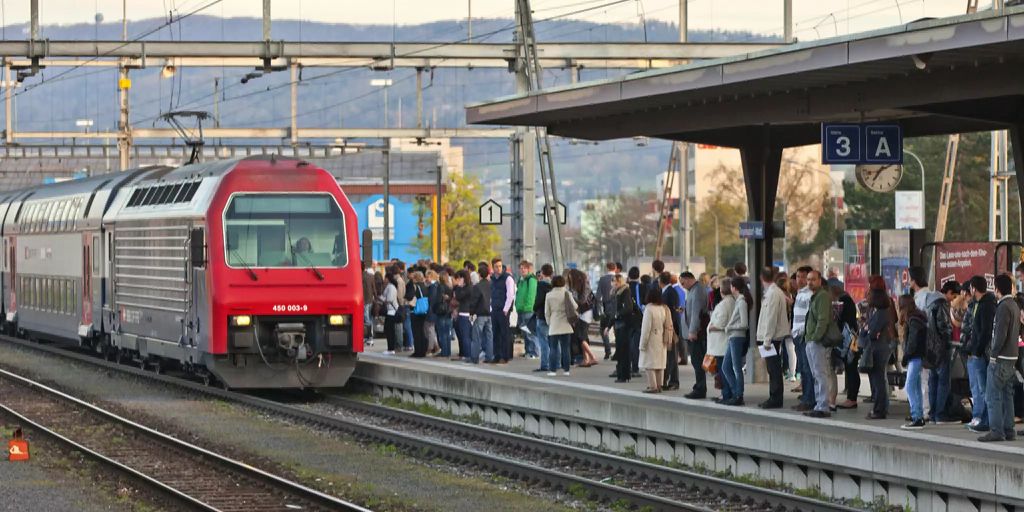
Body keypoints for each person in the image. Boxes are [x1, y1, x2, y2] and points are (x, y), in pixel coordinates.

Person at [978, 274, 1020, 442]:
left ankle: (996, 431)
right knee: (1007, 395)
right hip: (1012, 357)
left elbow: (1000, 334)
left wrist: (993, 355)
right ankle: (1009, 430)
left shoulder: (1003, 307)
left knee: (993, 395)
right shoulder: (1015, 306)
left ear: (997, 289)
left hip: (1000, 358)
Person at [756, 266, 790, 409]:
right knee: (772, 368)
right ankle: (773, 396)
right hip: (769, 337)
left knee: (773, 368)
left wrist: (767, 340)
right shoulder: (772, 292)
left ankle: (775, 398)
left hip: (771, 339)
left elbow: (771, 318)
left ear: (761, 278)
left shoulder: (773, 294)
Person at [802, 270, 834, 418]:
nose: (809, 282)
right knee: (816, 373)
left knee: (820, 373)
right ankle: (819, 404)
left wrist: (815, 337)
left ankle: (823, 406)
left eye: (813, 279)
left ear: (820, 280)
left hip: (817, 341)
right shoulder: (814, 297)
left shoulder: (822, 297)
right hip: (811, 340)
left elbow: (823, 320)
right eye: (808, 280)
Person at [965, 275, 995, 433]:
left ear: (973, 288)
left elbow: (985, 331)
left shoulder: (986, 305)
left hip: (982, 354)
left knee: (984, 389)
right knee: (981, 388)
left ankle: (987, 420)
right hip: (978, 352)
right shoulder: (979, 304)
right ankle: (984, 418)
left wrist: (976, 350)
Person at [861, 287, 895, 419]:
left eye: (870, 295)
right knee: (878, 380)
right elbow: (867, 329)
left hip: (879, 349)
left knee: (879, 380)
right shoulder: (877, 312)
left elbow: (872, 331)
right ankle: (879, 407)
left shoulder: (881, 313)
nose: (867, 298)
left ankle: (880, 409)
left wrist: (867, 329)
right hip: (878, 347)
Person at [901, 294, 929, 430]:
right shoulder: (919, 318)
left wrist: (905, 356)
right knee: (916, 386)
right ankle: (919, 415)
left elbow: (912, 342)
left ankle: (917, 415)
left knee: (910, 386)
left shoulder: (913, 321)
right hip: (919, 356)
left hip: (915, 357)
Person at [639, 287, 674, 393]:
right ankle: (659, 385)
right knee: (659, 364)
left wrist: (642, 344)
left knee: (649, 364)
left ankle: (653, 386)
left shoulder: (649, 309)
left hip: (651, 339)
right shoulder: (663, 308)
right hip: (661, 338)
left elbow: (646, 329)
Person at [681, 271, 709, 399]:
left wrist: (692, 331)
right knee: (696, 362)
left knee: (698, 361)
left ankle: (700, 388)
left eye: (683, 282)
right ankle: (699, 386)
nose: (682, 285)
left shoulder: (697, 290)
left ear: (688, 279)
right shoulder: (693, 290)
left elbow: (696, 312)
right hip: (693, 332)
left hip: (696, 333)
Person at [722, 277, 751, 406]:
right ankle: (736, 392)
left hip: (737, 337)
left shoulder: (742, 302)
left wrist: (729, 327)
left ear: (734, 287)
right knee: (726, 366)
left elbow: (744, 324)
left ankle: (739, 395)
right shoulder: (739, 301)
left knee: (736, 367)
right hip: (733, 337)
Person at [791, 266, 816, 412]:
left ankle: (809, 399)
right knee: (803, 369)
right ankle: (806, 397)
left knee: (807, 369)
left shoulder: (809, 294)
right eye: (797, 276)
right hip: (797, 334)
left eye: (803, 277)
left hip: (804, 335)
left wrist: (804, 332)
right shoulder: (799, 294)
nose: (799, 280)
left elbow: (810, 317)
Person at [706, 277, 735, 402]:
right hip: (724, 341)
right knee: (726, 369)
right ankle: (726, 393)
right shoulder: (733, 301)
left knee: (723, 370)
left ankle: (726, 393)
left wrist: (712, 327)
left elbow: (722, 323)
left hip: (721, 342)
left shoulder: (725, 304)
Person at [834, 284, 859, 410]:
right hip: (852, 337)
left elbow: (842, 319)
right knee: (851, 367)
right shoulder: (848, 300)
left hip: (849, 339)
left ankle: (852, 398)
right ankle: (851, 396)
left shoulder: (844, 301)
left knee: (851, 367)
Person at [544, 275, 575, 376]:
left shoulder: (549, 295)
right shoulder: (567, 293)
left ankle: (553, 370)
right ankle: (566, 370)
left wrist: (549, 322)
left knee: (553, 348)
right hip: (566, 323)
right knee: (565, 348)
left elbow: (546, 312)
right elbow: (575, 306)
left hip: (554, 323)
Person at [568, 268, 599, 367]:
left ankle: (592, 357)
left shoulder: (585, 287)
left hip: (585, 314)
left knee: (581, 337)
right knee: (582, 337)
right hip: (583, 313)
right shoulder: (580, 286)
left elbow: (582, 301)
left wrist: (572, 294)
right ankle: (586, 359)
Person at [613, 273, 641, 383]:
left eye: (614, 281)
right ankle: (621, 374)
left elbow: (628, 308)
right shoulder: (618, 292)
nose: (612, 284)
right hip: (620, 324)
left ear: (619, 281)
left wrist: (617, 314)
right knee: (621, 350)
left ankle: (623, 375)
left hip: (625, 325)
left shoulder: (625, 291)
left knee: (623, 350)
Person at [490, 257, 516, 364]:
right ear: (493, 267)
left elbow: (510, 295)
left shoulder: (507, 278)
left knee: (505, 334)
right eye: (496, 266)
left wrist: (506, 309)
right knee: (495, 334)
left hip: (503, 310)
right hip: (494, 309)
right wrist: (490, 308)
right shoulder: (492, 279)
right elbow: (491, 294)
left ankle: (505, 356)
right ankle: (497, 355)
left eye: (500, 266)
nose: (499, 268)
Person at [658, 272, 681, 391]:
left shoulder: (670, 292)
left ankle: (674, 381)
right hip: (669, 327)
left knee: (672, 356)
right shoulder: (667, 291)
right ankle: (667, 380)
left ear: (660, 280)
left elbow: (672, 312)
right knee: (669, 356)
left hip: (671, 328)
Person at [532, 264, 554, 373]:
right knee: (554, 341)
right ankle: (557, 363)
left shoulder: (541, 285)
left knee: (543, 341)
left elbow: (539, 300)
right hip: (553, 316)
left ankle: (545, 364)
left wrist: (534, 308)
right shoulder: (554, 284)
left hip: (542, 315)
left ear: (542, 272)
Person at [515, 260, 539, 359]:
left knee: (530, 332)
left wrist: (527, 307)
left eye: (524, 268)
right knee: (525, 333)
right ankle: (528, 351)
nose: (522, 270)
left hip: (528, 310)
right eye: (521, 268)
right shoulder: (521, 280)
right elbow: (518, 294)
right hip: (520, 310)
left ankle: (534, 352)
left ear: (528, 269)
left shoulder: (531, 280)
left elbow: (531, 295)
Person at [453, 270, 478, 363]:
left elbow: (458, 296)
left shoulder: (468, 288)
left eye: (460, 278)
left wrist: (459, 286)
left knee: (465, 336)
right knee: (464, 335)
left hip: (465, 313)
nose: (458, 280)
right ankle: (464, 354)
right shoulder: (468, 287)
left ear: (463, 278)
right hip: (464, 313)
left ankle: (467, 355)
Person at [627, 267, 647, 377]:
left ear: (629, 276)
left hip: (628, 319)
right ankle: (635, 368)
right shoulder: (643, 287)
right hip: (639, 319)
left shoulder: (626, 287)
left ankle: (627, 366)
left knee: (627, 344)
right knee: (636, 345)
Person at [473, 263, 494, 363]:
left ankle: (475, 357)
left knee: (477, 336)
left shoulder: (477, 286)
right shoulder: (492, 284)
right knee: (489, 336)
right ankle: (489, 356)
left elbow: (475, 301)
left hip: (480, 313)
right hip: (490, 313)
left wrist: (471, 312)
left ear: (479, 274)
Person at [597, 262, 618, 360]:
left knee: (603, 329)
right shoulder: (620, 278)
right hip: (617, 308)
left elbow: (598, 297)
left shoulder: (602, 279)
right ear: (615, 268)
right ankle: (618, 352)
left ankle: (608, 351)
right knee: (617, 330)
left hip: (606, 308)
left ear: (607, 268)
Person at [432, 271, 454, 358]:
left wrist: (434, 308)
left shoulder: (439, 287)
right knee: (447, 333)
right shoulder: (449, 287)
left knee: (441, 333)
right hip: (448, 311)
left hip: (441, 312)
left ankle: (444, 352)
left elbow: (437, 300)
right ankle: (448, 351)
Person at [409, 271, 429, 358]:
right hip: (424, 311)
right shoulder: (425, 286)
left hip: (416, 311)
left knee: (416, 332)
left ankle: (418, 351)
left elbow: (411, 296)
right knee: (422, 331)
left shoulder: (415, 287)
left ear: (415, 278)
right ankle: (423, 350)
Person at [380, 271, 401, 355]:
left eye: (385, 278)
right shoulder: (388, 286)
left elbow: (389, 299)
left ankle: (391, 348)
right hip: (390, 311)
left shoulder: (391, 287)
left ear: (388, 279)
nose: (384, 279)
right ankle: (390, 348)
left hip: (391, 311)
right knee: (388, 330)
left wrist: (382, 299)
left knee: (390, 330)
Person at [423, 270, 441, 355]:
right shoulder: (436, 285)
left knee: (429, 329)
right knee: (431, 329)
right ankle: (436, 346)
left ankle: (430, 348)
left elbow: (432, 299)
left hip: (431, 310)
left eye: (428, 277)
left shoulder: (433, 286)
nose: (426, 278)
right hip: (434, 310)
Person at [361, 261, 375, 346]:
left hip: (365, 300)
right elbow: (374, 289)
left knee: (366, 319)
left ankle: (369, 337)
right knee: (369, 318)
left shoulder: (361, 276)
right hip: (370, 300)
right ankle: (370, 337)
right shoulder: (370, 276)